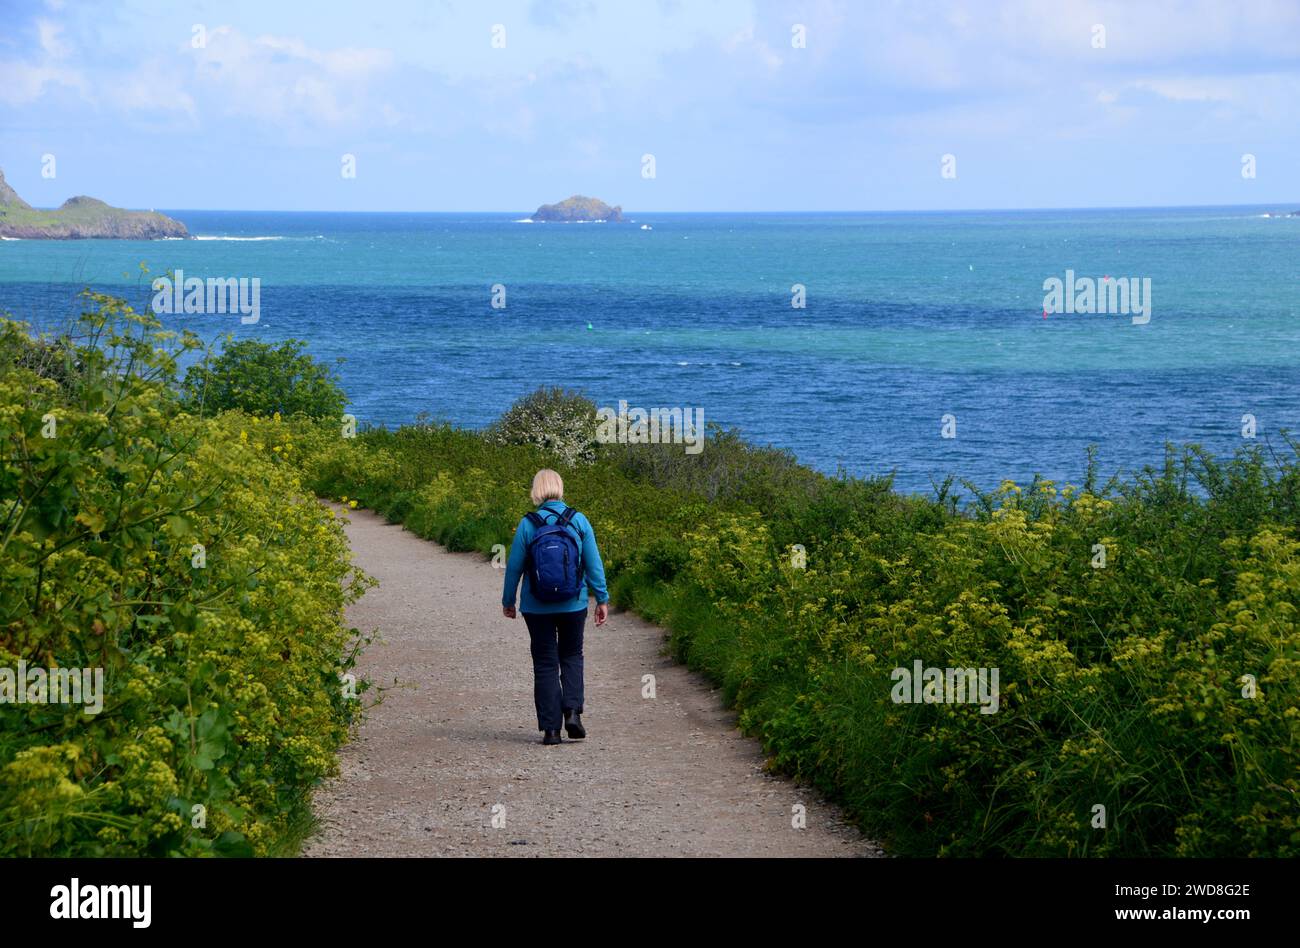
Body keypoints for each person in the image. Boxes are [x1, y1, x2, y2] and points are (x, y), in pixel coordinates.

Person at [502, 468, 609, 745]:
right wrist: (602, 598)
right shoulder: (579, 521)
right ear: (560, 487)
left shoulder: (528, 524)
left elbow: (513, 567)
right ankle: (572, 713)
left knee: (545, 663)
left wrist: (508, 601)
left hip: (536, 607)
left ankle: (551, 730)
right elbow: (594, 565)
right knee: (572, 655)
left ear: (536, 490)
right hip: (573, 603)